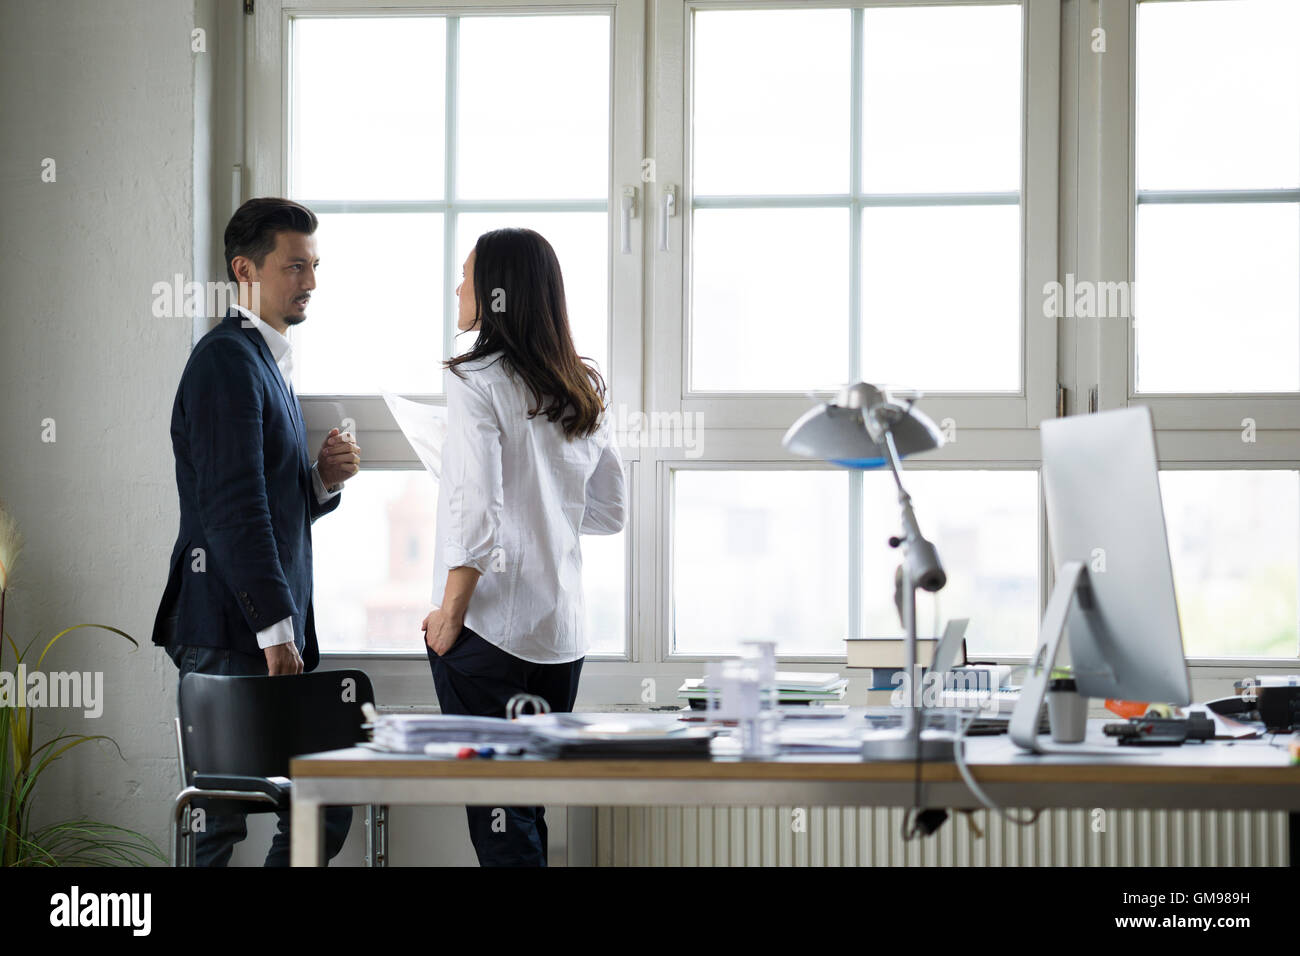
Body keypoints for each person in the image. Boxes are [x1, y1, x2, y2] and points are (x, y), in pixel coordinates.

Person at [152, 197, 362, 866]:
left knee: (314, 805)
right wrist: (277, 628)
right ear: (246, 270)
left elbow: (263, 497)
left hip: (256, 630)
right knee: (220, 825)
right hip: (228, 631)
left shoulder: (265, 360)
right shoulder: (225, 361)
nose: (310, 282)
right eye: (294, 265)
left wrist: (320, 481)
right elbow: (233, 505)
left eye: (315, 265)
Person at [421, 227, 626, 867]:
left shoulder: (475, 379)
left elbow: (478, 510)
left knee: (500, 823)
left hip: (488, 632)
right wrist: (544, 512)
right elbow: (609, 512)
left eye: (467, 275)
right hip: (559, 637)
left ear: (496, 292)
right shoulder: (579, 385)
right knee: (524, 809)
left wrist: (449, 616)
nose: (458, 287)